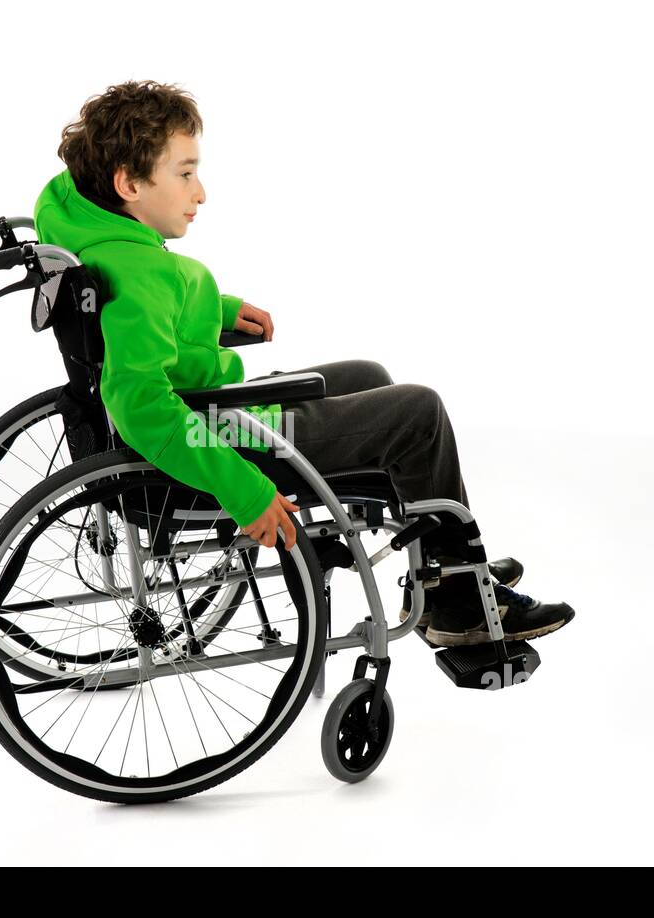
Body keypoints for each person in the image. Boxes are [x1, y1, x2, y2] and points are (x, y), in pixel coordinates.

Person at [33, 80, 574, 646]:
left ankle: (441, 564)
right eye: (186, 173)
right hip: (226, 437)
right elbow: (141, 402)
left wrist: (216, 310)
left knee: (369, 377)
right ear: (128, 183)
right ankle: (458, 602)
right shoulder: (141, 277)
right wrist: (243, 490)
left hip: (213, 414)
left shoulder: (87, 225)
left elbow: (144, 316)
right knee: (419, 413)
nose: (202, 191)